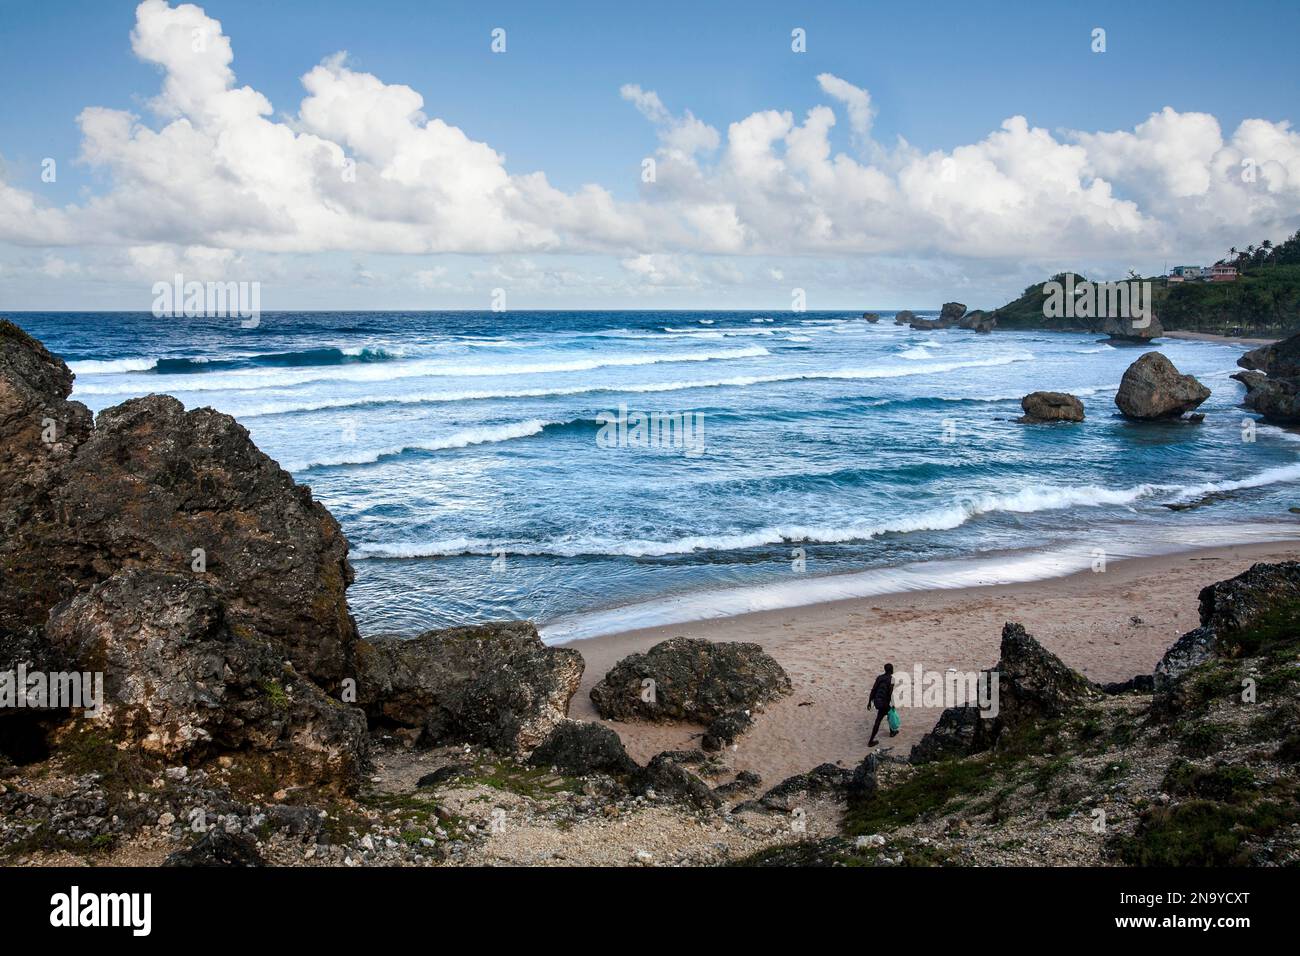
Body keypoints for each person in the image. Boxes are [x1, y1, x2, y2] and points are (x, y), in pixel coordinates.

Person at [868, 663, 895, 747]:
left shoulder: (879, 678)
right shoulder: (891, 679)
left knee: (888, 714)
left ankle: (892, 731)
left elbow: (873, 689)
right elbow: (890, 693)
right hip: (884, 703)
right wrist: (893, 704)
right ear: (891, 670)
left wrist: (869, 702)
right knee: (882, 718)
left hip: (877, 701)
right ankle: (870, 741)